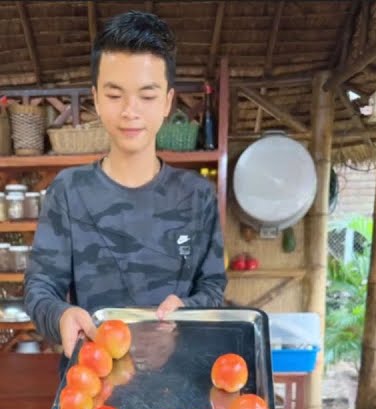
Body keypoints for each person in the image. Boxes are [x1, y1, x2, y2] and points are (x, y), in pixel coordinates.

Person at [25, 10, 226, 360]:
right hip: (93, 384)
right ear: (97, 100)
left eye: (147, 96)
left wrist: (187, 311)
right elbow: (40, 288)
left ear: (167, 103)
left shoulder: (197, 196)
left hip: (177, 382)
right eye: (115, 95)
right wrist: (61, 315)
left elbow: (212, 286)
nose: (130, 111)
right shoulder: (69, 191)